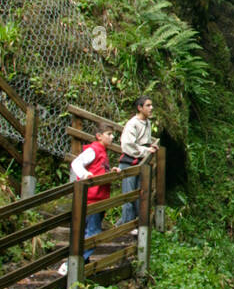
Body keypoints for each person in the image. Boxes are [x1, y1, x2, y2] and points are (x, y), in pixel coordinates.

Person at [57, 126, 117, 273]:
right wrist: (85, 175)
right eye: (109, 134)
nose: (112, 137)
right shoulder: (94, 150)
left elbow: (99, 170)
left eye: (112, 134)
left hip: (99, 198)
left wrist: (111, 171)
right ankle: (71, 264)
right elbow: (76, 163)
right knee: (94, 233)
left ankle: (83, 264)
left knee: (87, 233)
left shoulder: (103, 152)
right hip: (92, 199)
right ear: (99, 136)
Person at [119, 94, 158, 230]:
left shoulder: (147, 122)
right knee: (129, 195)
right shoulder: (132, 124)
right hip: (129, 162)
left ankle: (131, 224)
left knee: (138, 195)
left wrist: (150, 147)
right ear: (139, 108)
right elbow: (128, 144)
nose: (151, 108)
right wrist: (146, 151)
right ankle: (125, 226)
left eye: (151, 105)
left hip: (140, 163)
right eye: (148, 105)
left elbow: (143, 142)